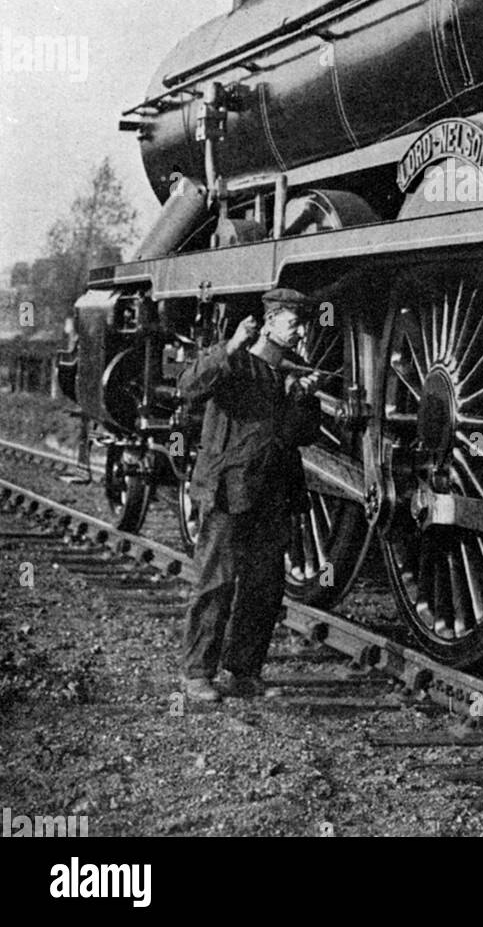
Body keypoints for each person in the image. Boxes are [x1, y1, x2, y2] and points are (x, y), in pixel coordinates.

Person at [179, 286, 323, 703]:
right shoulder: (234, 362)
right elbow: (190, 387)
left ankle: (243, 671)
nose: (299, 335)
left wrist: (302, 398)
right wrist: (229, 346)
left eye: (302, 327)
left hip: (273, 493)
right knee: (215, 582)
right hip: (228, 490)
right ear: (271, 321)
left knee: (264, 586)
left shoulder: (292, 372)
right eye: (294, 325)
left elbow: (302, 435)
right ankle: (197, 674)